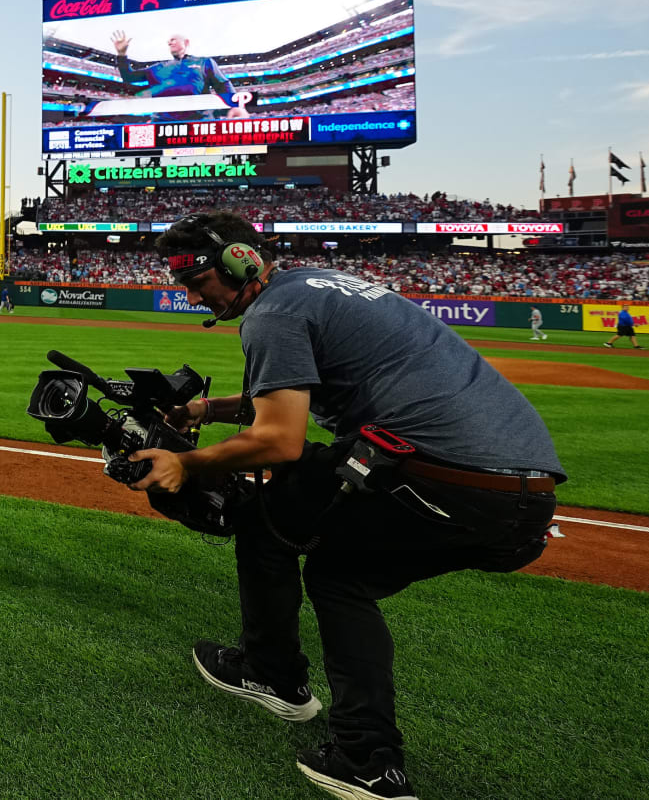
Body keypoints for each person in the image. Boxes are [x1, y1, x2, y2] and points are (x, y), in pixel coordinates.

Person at [128, 212, 563, 800]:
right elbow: (288, 404)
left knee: (335, 574)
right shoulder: (314, 284)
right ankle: (274, 672)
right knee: (281, 511)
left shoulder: (273, 314)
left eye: (196, 277)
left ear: (240, 262)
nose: (188, 292)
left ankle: (363, 755)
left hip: (454, 485)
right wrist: (208, 410)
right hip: (521, 495)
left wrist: (188, 462)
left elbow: (278, 438)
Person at [107, 30, 244, 115]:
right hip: (163, 123)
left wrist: (235, 106)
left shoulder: (205, 63)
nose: (169, 42)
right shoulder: (158, 68)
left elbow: (223, 85)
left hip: (199, 121)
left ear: (186, 42)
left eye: (173, 39)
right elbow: (129, 77)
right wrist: (121, 55)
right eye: (168, 41)